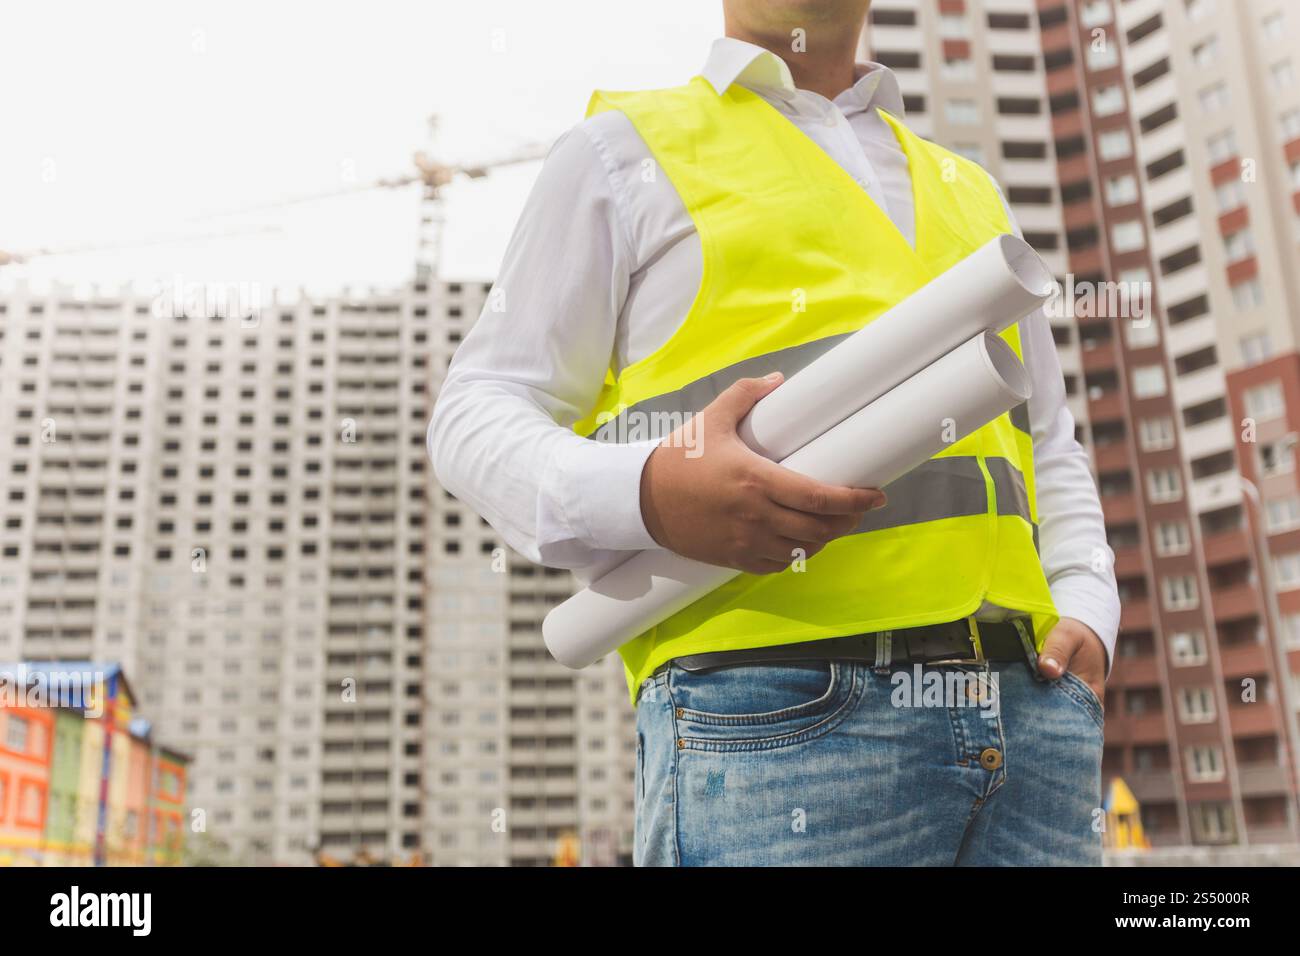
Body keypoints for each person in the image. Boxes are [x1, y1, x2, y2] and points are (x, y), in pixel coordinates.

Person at [429, 0, 1120, 865]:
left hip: (1032, 715)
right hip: (771, 708)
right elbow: (476, 410)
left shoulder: (968, 190)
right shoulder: (622, 153)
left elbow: (1047, 439)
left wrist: (1092, 605)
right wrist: (650, 492)